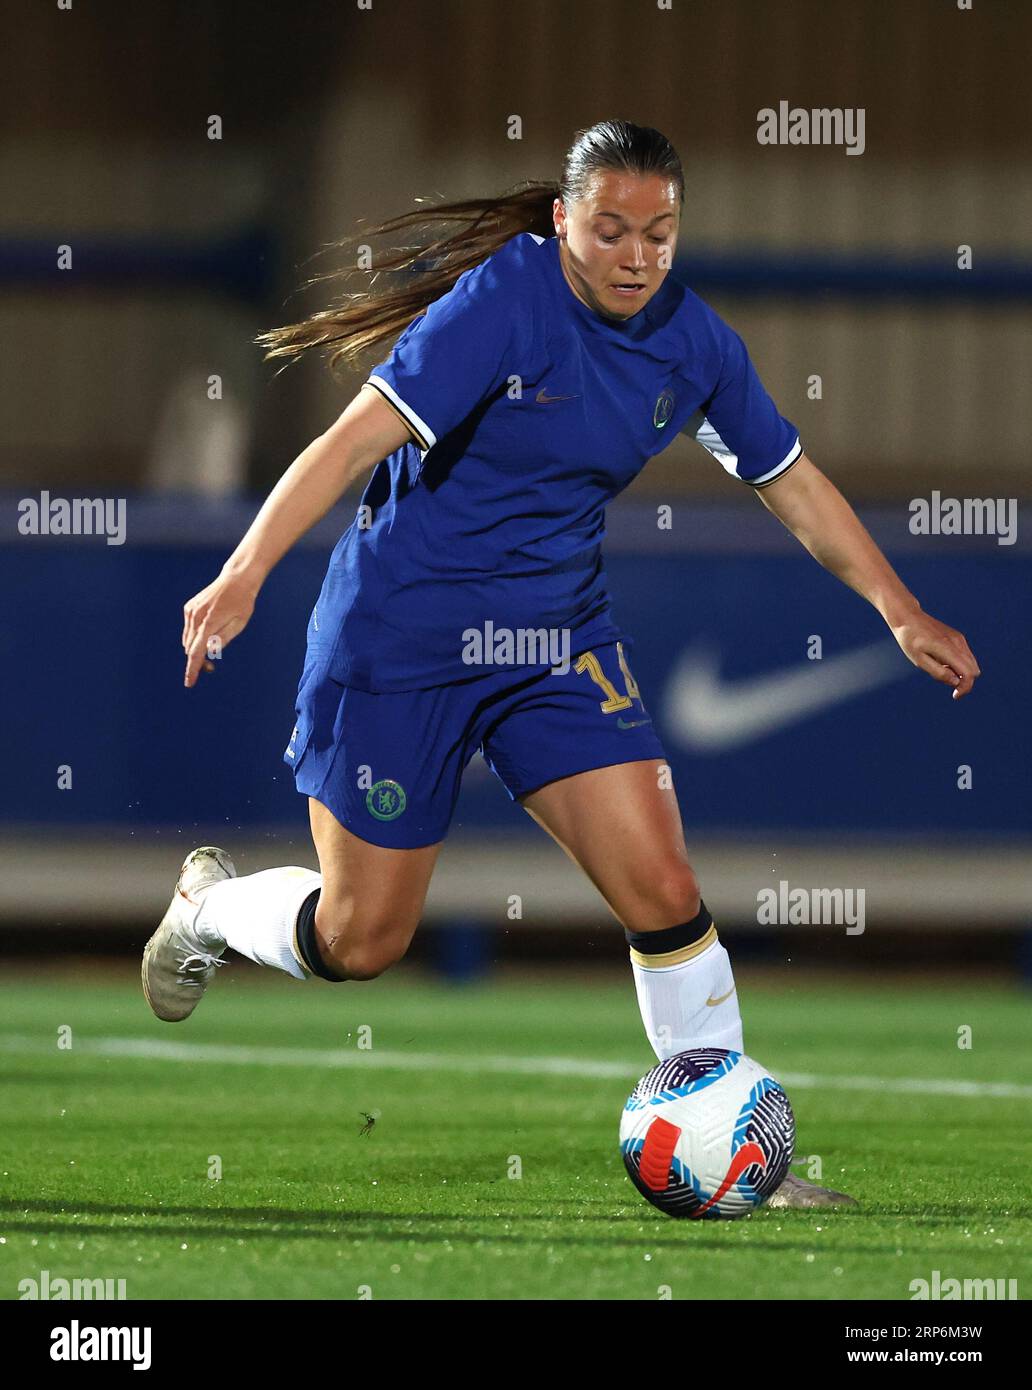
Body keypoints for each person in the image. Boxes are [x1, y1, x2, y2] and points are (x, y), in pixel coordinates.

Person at [142, 120, 980, 1210]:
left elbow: (792, 480)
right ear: (563, 221)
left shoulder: (695, 342)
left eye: (662, 233)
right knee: (361, 938)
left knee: (665, 890)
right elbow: (351, 441)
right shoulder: (501, 305)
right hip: (403, 636)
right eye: (613, 229)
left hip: (556, 643)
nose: (639, 256)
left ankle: (747, 1163)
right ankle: (209, 909)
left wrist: (898, 605)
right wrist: (246, 568)